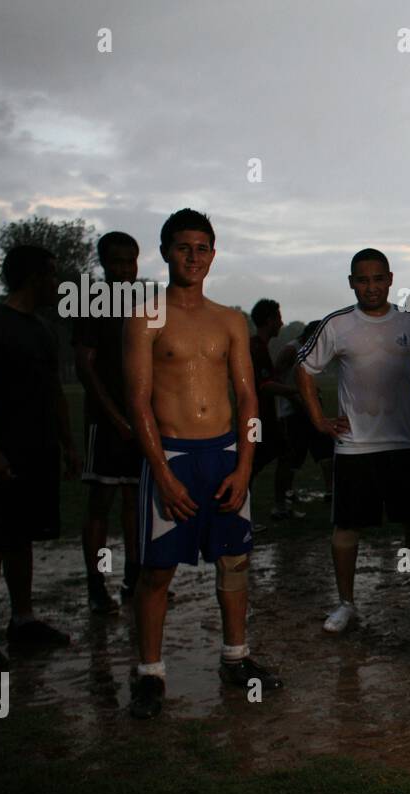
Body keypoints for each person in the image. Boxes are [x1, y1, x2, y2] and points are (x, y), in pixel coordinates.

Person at [123, 209, 282, 719]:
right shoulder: (145, 316)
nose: (194, 256)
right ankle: (150, 673)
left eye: (203, 247)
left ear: (214, 254)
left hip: (225, 455)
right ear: (166, 251)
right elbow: (139, 402)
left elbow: (249, 400)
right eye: (183, 247)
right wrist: (163, 474)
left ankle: (236, 658)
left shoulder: (230, 320)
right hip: (172, 456)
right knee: (156, 572)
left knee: (234, 563)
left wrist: (244, 466)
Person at [295, 249, 410, 633]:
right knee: (347, 527)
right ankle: (346, 604)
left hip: (404, 443)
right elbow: (304, 368)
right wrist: (318, 419)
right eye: (362, 279)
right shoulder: (337, 325)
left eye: (378, 278)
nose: (371, 286)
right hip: (356, 446)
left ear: (390, 279)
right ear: (352, 282)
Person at [0, 245, 79, 671]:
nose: (56, 282)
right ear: (33, 278)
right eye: (51, 275)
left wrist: (68, 445)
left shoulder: (43, 331)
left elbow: (55, 393)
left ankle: (22, 620)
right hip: (3, 453)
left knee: (22, 536)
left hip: (39, 450)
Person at [75, 231, 143, 614]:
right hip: (105, 423)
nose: (122, 270)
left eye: (128, 262)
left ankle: (133, 577)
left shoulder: (143, 304)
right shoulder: (91, 301)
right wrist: (115, 417)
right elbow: (84, 365)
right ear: (102, 264)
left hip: (139, 422)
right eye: (114, 262)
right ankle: (97, 583)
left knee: (134, 501)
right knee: (100, 502)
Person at [246, 298, 300, 519]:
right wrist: (294, 392)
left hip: (265, 417)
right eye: (278, 317)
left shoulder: (259, 347)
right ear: (269, 320)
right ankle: (243, 512)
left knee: (281, 454)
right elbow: (265, 385)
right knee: (251, 464)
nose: (281, 322)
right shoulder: (256, 348)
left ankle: (278, 506)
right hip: (258, 419)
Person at [276, 321, 334, 503]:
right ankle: (287, 492)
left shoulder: (313, 350)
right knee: (294, 454)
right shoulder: (291, 350)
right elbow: (276, 377)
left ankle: (331, 491)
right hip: (294, 410)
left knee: (325, 448)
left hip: (311, 406)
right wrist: (294, 397)